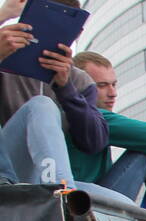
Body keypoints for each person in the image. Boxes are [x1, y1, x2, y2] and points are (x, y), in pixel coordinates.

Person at [0, 0, 116, 197]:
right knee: (41, 105)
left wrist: (66, 89)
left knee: (122, 205)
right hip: (8, 171)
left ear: (77, 33)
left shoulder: (79, 80)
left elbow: (94, 142)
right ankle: (61, 194)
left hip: (44, 175)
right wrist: (3, 15)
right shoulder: (5, 63)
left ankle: (61, 194)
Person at [67, 52, 146, 221]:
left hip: (91, 201)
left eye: (114, 84)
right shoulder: (91, 116)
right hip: (86, 209)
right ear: (80, 85)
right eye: (102, 85)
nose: (112, 93)